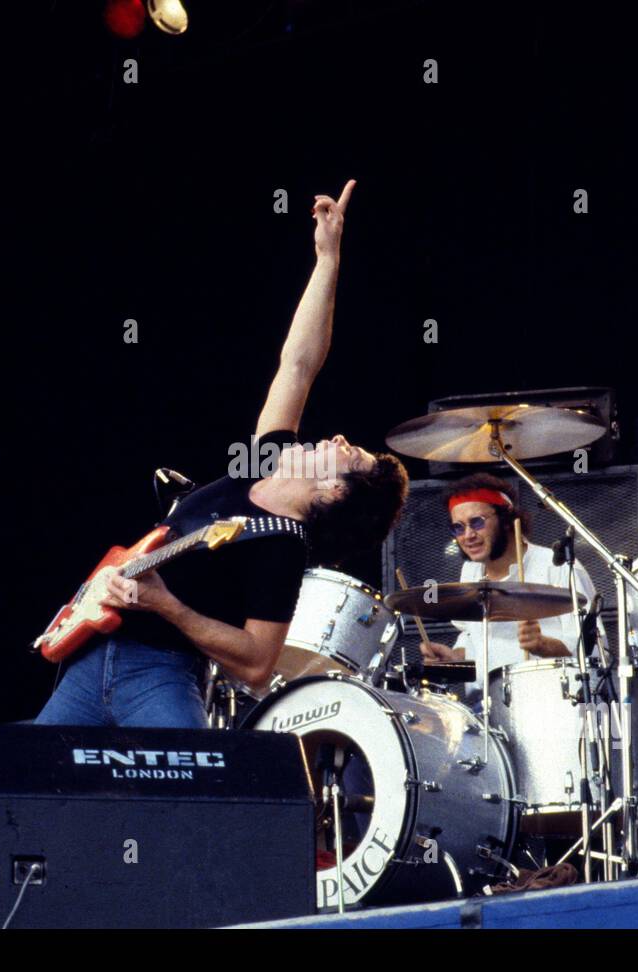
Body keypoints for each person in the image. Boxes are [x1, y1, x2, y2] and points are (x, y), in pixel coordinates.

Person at [35, 179, 409, 729]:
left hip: (160, 671)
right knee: (26, 790)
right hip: (91, 657)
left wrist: (167, 606)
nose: (334, 439)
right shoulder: (265, 459)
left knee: (190, 795)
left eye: (346, 455)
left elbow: (258, 665)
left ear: (333, 491)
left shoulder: (281, 547)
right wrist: (328, 256)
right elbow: (298, 363)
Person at [419, 472, 596, 695]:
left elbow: (594, 649)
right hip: (485, 709)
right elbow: (474, 639)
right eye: (458, 527)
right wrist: (455, 659)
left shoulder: (558, 567)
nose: (468, 535)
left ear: (505, 521)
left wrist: (543, 645)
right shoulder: (471, 571)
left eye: (477, 522)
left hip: (549, 703)